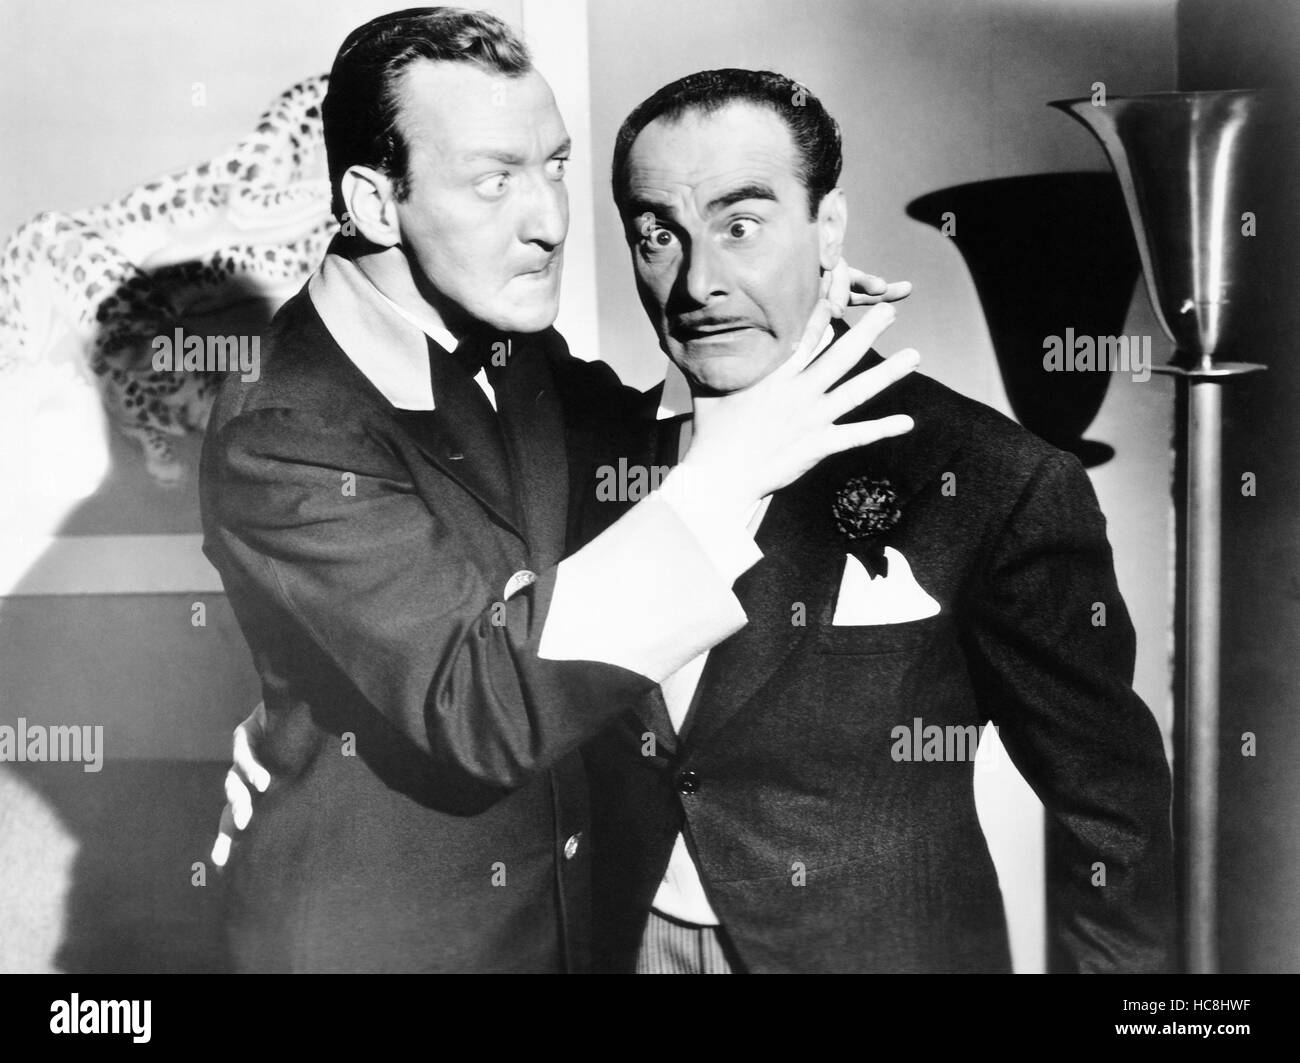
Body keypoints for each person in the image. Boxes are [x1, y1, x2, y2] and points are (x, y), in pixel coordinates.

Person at [200, 10, 916, 973]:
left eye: (554, 167)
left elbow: (629, 452)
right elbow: (480, 706)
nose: (548, 221)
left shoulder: (499, 342)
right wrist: (735, 463)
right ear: (375, 203)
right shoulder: (283, 427)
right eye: (494, 180)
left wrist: (767, 315)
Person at [578, 68, 1174, 973]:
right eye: (658, 234)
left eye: (743, 226)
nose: (698, 280)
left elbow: (1114, 814)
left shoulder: (992, 477)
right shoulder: (582, 451)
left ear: (829, 231)